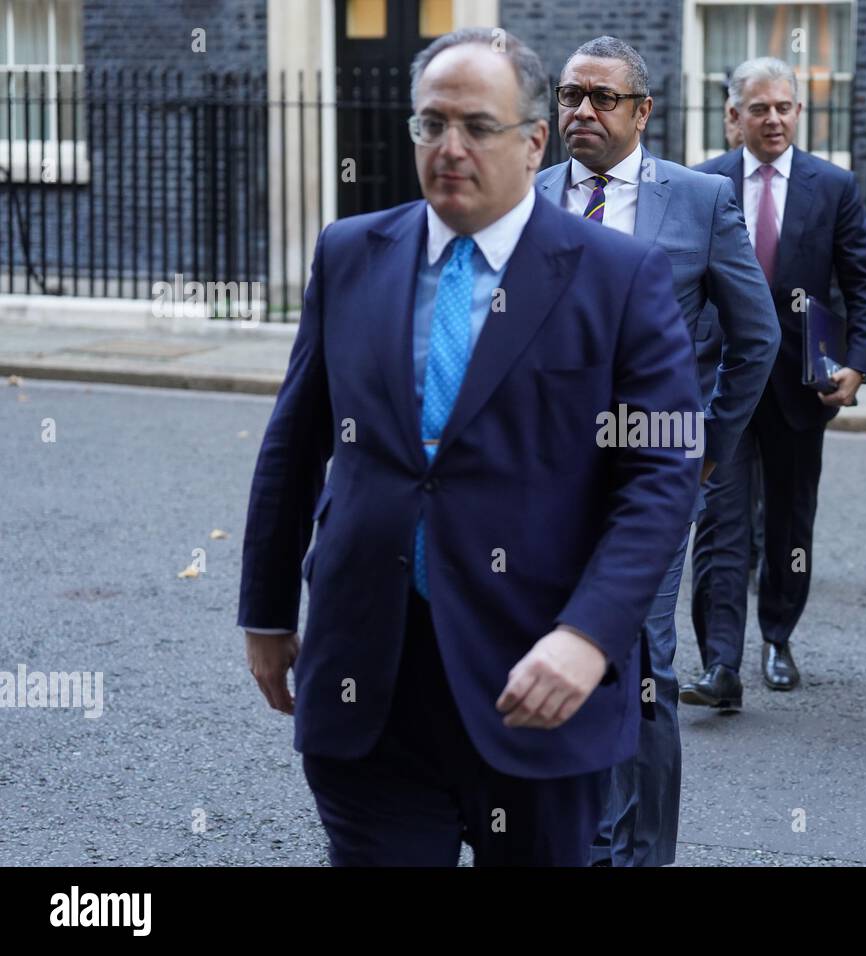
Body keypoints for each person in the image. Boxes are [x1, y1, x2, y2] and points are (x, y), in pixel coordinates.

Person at [238, 27, 702, 867]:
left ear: (533, 141)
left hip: (536, 675)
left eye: (477, 127)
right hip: (369, 670)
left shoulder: (617, 276)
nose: (449, 148)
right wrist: (266, 610)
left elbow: (660, 477)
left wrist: (589, 636)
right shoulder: (350, 254)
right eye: (430, 124)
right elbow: (295, 441)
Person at [535, 35, 779, 867]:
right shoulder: (524, 197)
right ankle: (566, 835)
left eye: (603, 98)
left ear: (643, 111)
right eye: (571, 95)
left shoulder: (700, 200)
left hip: (649, 473)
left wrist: (707, 446)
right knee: (543, 642)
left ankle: (640, 854)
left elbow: (757, 337)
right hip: (536, 478)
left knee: (640, 656)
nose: (582, 112)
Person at [683, 56, 866, 706]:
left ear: (799, 112)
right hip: (720, 381)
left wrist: (857, 364)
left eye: (785, 107)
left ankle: (777, 636)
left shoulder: (834, 187)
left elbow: (863, 286)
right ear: (733, 115)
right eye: (759, 108)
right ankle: (720, 666)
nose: (774, 119)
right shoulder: (701, 184)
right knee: (719, 520)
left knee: (790, 522)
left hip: (804, 382)